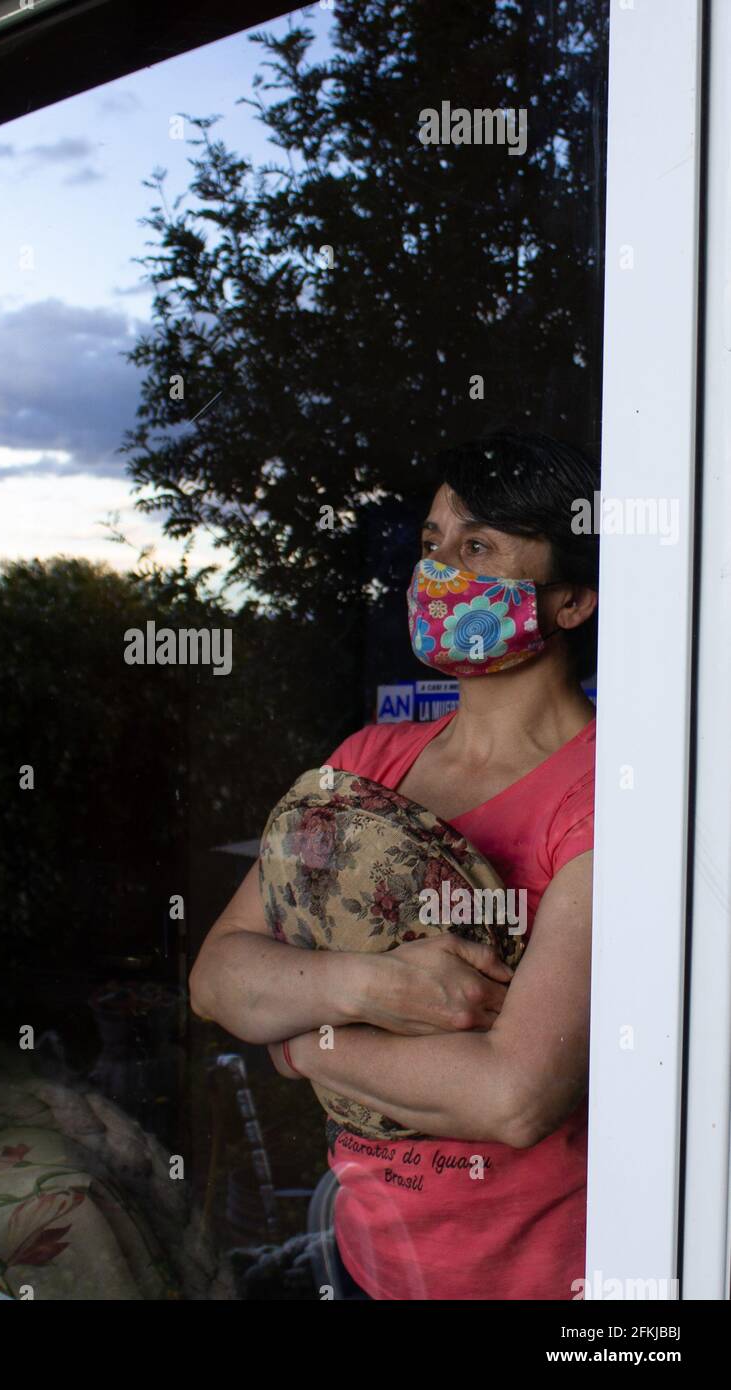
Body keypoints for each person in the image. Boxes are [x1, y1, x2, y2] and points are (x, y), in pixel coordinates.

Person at [189, 430, 599, 1300]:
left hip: (536, 1282)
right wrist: (367, 992)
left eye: (477, 545)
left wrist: (298, 1039)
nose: (438, 570)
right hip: (367, 1261)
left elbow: (512, 1098)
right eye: (430, 543)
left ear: (570, 600)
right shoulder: (370, 759)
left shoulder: (605, 793)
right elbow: (219, 977)